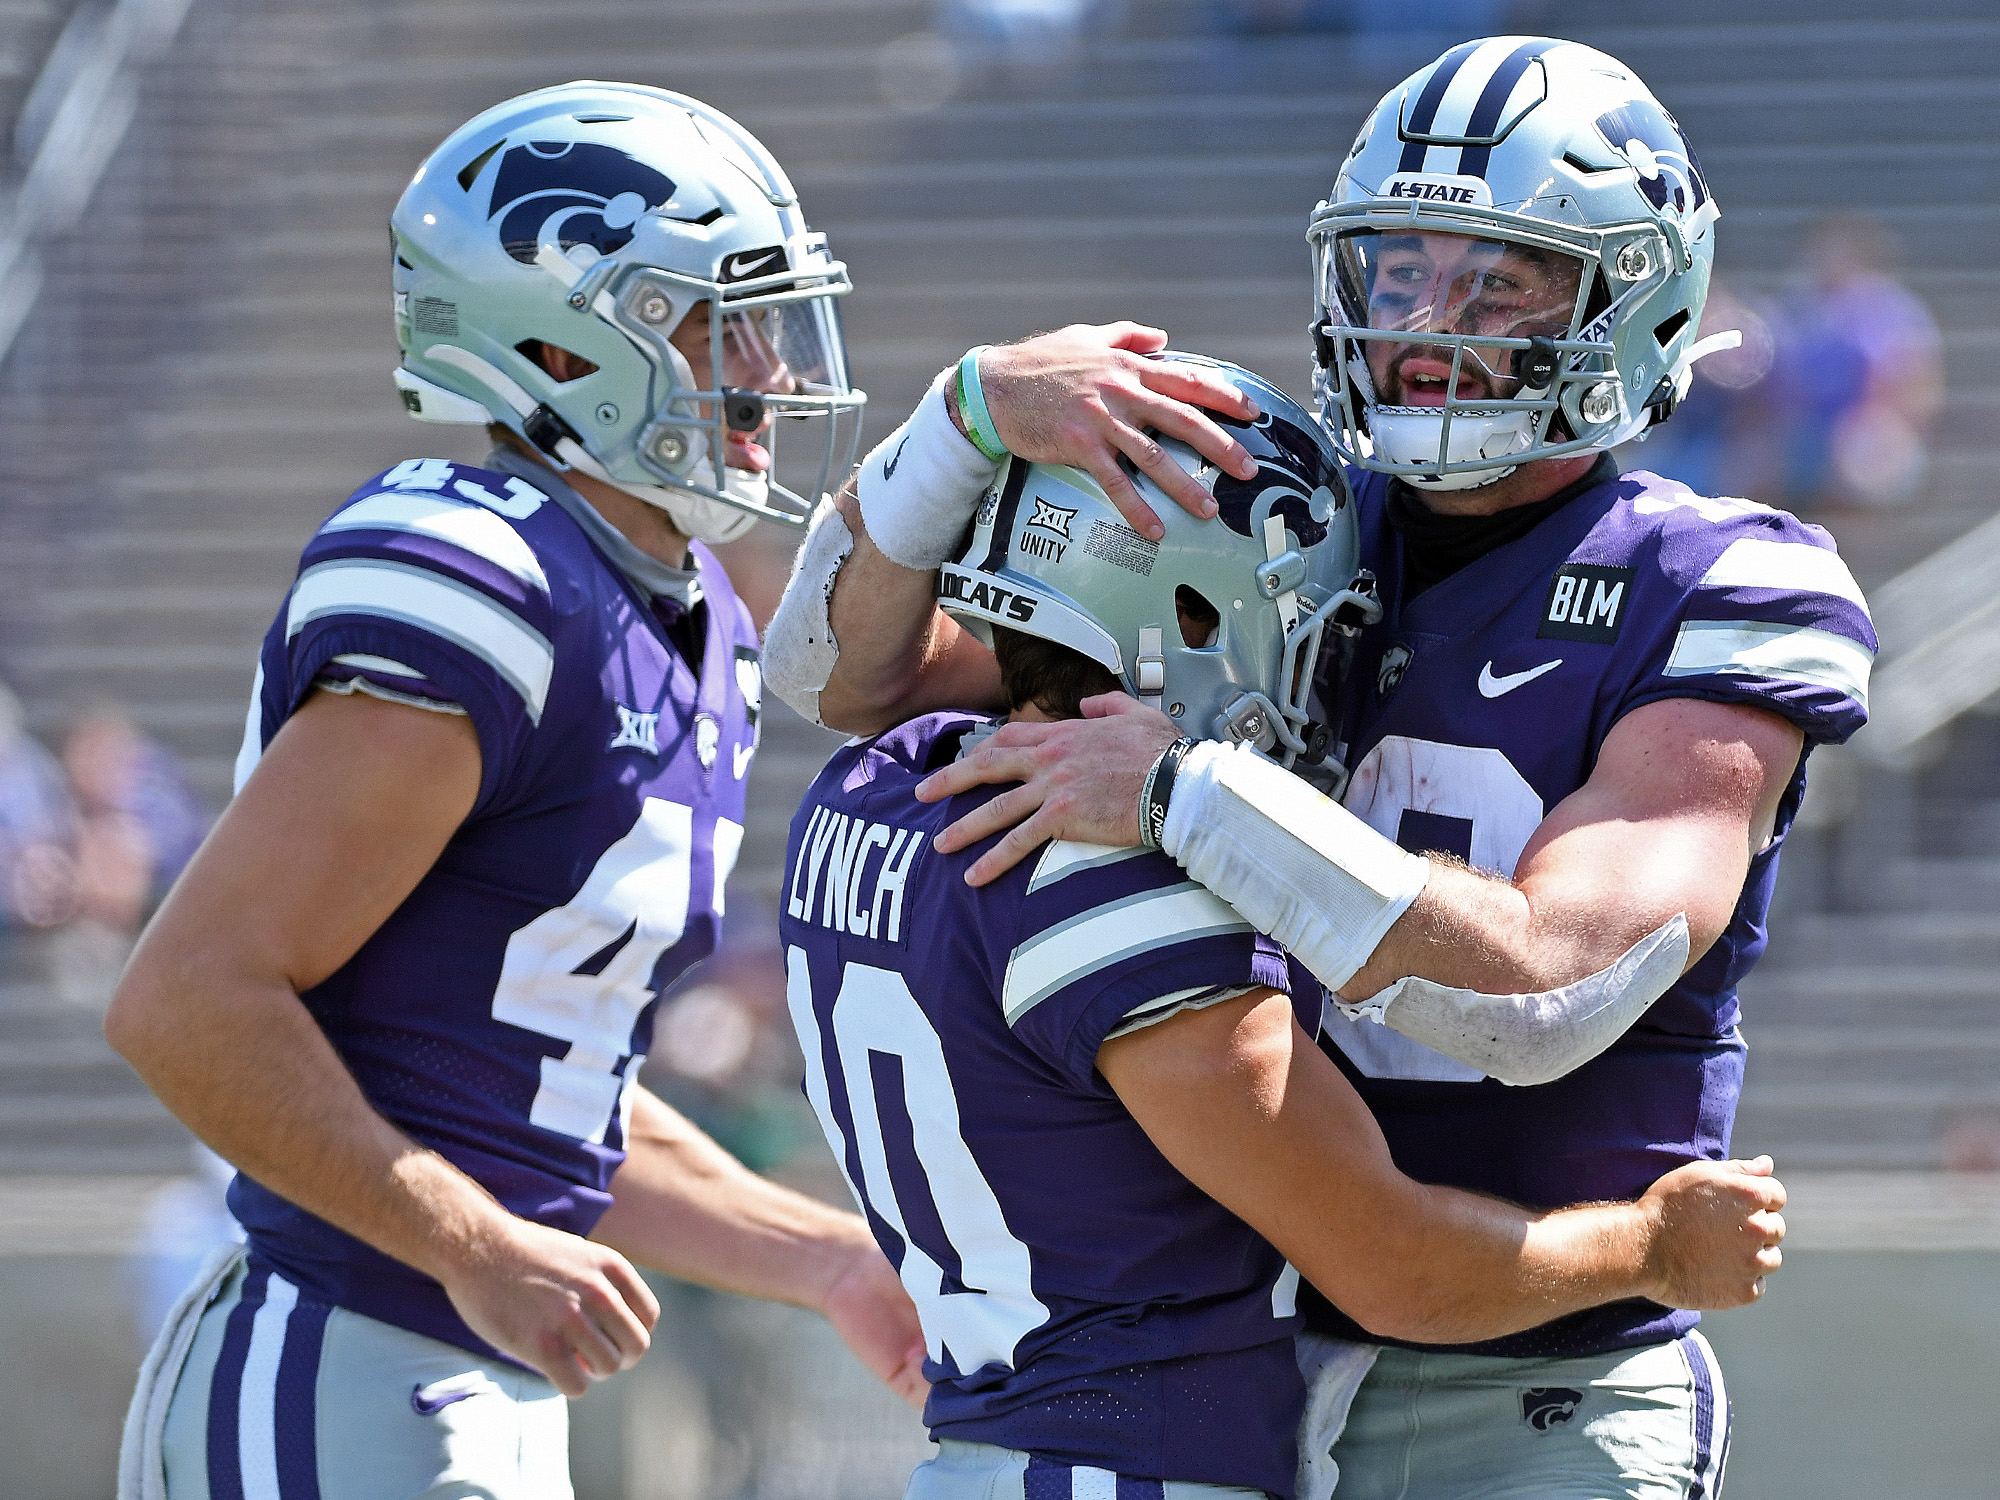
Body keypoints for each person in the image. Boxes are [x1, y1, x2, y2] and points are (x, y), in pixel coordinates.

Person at [762, 37, 1877, 1500]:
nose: (1429, 326)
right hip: (1266, 1374)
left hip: (1537, 1383)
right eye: (1400, 273)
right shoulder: (1285, 519)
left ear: (1634, 296)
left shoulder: (1716, 584)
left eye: (1500, 281)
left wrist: (1182, 794)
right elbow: (839, 680)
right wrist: (957, 421)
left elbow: (1553, 992)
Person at [105, 82, 922, 1500]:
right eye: (716, 322)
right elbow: (183, 1001)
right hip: (341, 1350)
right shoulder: (486, 579)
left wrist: (827, 1259)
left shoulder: (682, 621)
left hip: (458, 1375)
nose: (773, 376)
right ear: (559, 338)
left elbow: (547, 1096)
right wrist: (470, 1244)